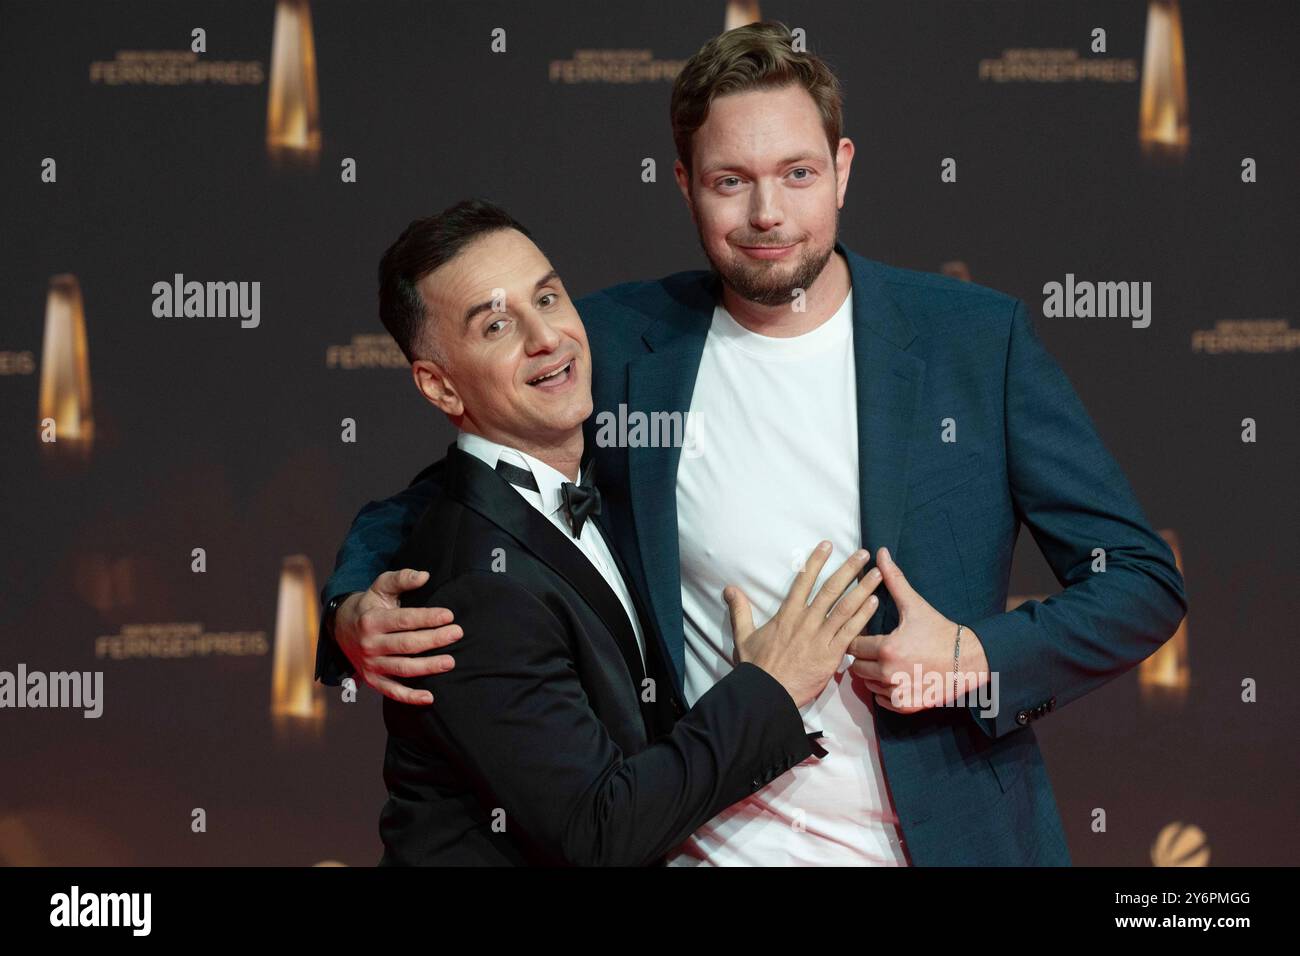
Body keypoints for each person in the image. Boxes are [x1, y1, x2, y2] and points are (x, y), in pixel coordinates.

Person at [319, 22, 1187, 866]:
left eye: (797, 173)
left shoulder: (972, 342)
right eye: (731, 181)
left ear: (842, 172)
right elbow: (464, 494)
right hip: (709, 843)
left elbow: (1139, 582)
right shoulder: (618, 343)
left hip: (944, 839)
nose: (768, 214)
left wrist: (978, 656)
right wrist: (351, 607)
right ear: (685, 184)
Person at [373, 201, 881, 865]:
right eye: (497, 325)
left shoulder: (595, 474)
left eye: (548, 298)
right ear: (439, 388)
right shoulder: (477, 585)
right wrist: (771, 689)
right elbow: (598, 829)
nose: (546, 337)